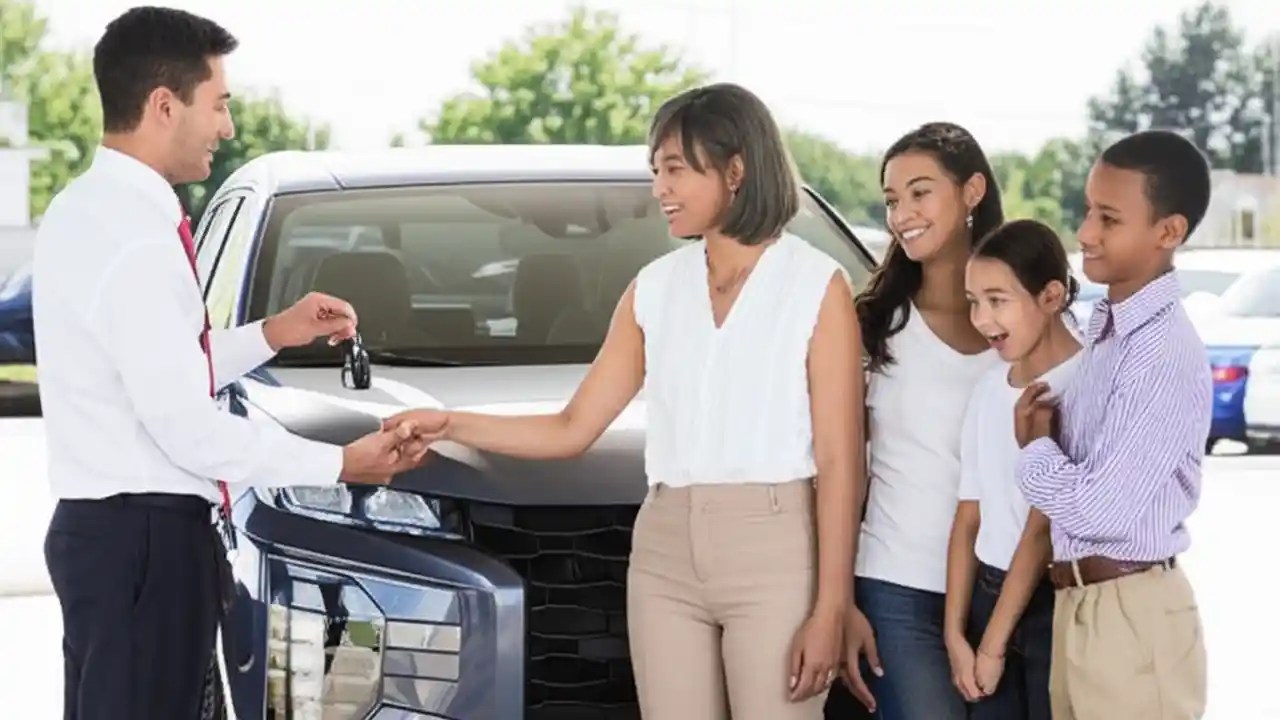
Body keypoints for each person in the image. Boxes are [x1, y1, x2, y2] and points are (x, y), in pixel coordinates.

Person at [384, 82, 867, 719]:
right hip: (665, 548)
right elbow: (571, 428)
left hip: (777, 549)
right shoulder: (654, 289)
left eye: (674, 169)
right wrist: (449, 423)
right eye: (655, 170)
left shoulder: (815, 286)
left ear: (736, 170)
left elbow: (841, 462)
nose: (659, 188)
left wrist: (832, 604)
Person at [33, 8, 424, 719]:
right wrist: (342, 465)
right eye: (218, 104)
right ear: (163, 105)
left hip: (110, 537)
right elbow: (187, 427)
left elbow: (163, 366)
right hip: (145, 545)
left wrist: (273, 332)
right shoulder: (137, 241)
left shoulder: (83, 209)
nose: (227, 128)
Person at [1015, 129, 1212, 720]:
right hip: (1085, 606)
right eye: (1086, 210)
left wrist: (1035, 449)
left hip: (1132, 615)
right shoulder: (1111, 332)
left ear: (1168, 232)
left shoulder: (1160, 351)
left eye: (1108, 217)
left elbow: (1101, 511)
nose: (1083, 233)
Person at [846, 121, 1005, 720]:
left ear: (972, 192)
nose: (901, 213)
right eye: (891, 200)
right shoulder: (873, 323)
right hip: (897, 585)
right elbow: (843, 470)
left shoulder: (1027, 319)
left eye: (920, 192)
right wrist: (838, 600)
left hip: (1003, 591)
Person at [943, 219, 1083, 720]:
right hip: (986, 597)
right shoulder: (987, 390)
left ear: (1050, 295)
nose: (980, 318)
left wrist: (992, 645)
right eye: (973, 300)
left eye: (997, 300)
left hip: (1053, 604)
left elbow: (1040, 528)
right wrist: (955, 634)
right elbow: (968, 516)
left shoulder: (1084, 386)